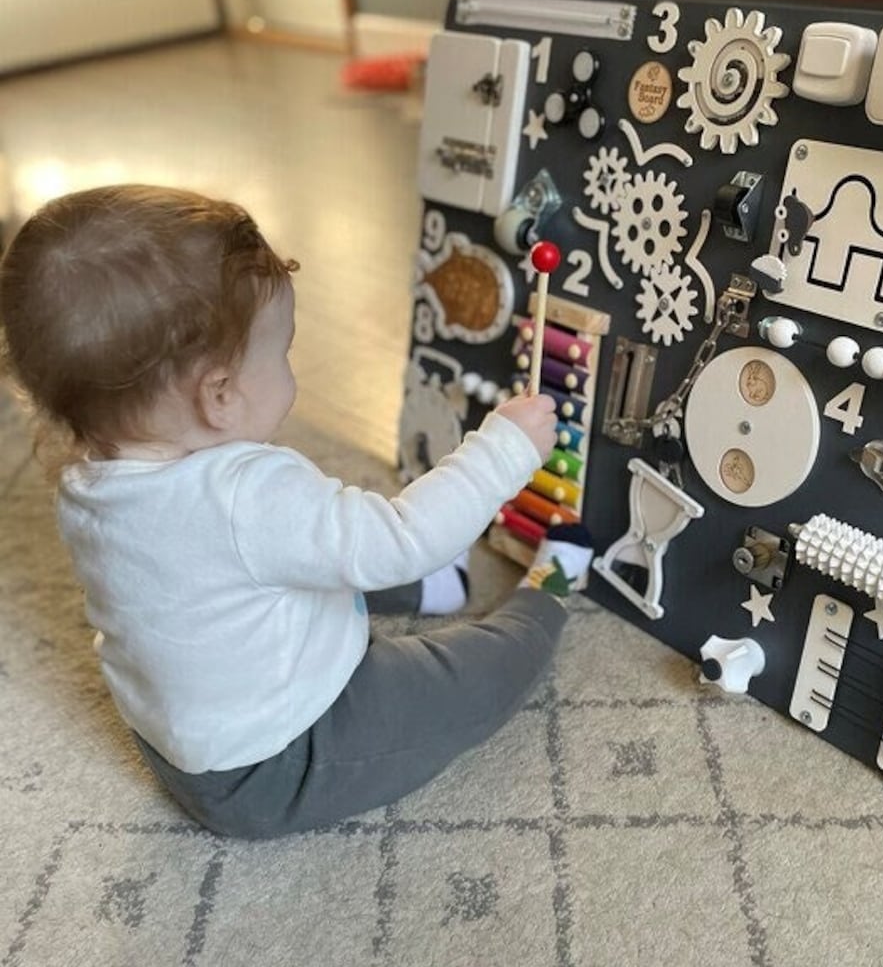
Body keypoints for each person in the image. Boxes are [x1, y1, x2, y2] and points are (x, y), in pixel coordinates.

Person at [0, 183, 593, 839]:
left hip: (177, 750)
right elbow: (400, 536)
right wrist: (506, 448)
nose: (289, 367)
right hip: (287, 758)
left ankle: (439, 588)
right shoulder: (247, 494)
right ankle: (552, 590)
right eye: (281, 352)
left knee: (318, 548)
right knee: (478, 677)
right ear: (219, 395)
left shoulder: (88, 480)